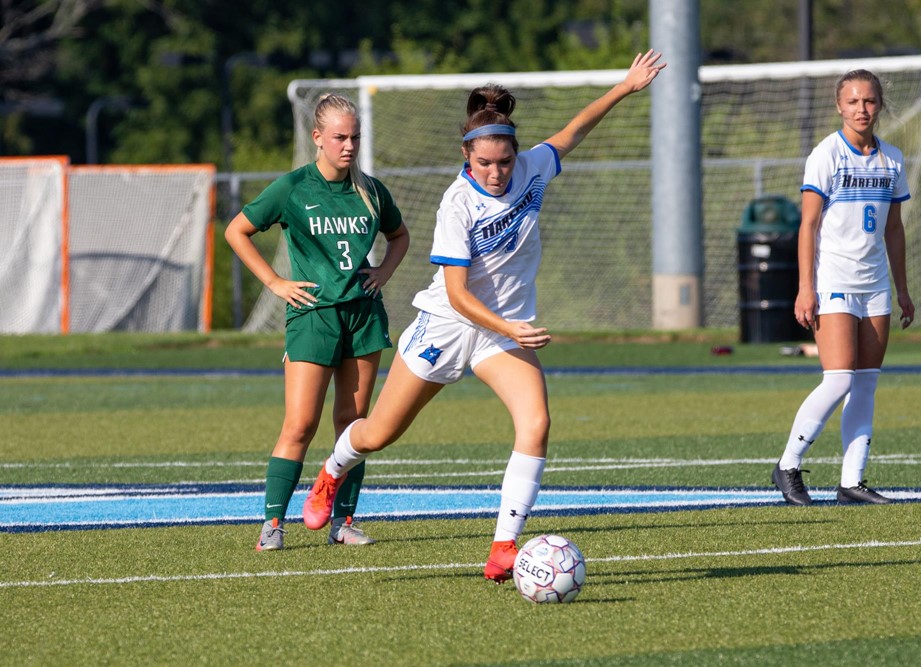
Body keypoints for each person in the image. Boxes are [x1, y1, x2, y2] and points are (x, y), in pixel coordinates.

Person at [300, 50, 665, 581]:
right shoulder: (457, 205)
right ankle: (332, 473)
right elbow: (458, 294)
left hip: (501, 335)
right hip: (449, 325)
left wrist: (626, 87)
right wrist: (510, 326)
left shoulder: (533, 167)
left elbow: (574, 129)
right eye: (484, 164)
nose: (496, 173)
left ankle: (503, 546)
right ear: (467, 158)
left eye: (505, 162)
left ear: (517, 155)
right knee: (377, 432)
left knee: (536, 423)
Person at [225, 93, 410, 550]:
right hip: (312, 318)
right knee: (300, 424)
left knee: (354, 425)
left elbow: (399, 235)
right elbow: (237, 230)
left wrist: (383, 272)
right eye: (340, 137)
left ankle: (342, 522)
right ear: (318, 138)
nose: (349, 146)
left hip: (363, 317)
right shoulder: (293, 188)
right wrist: (274, 282)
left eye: (355, 137)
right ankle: (272, 525)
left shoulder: (370, 190)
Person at [771, 69, 914, 506]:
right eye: (852, 101)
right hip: (833, 281)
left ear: (880, 105)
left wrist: (902, 289)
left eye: (869, 101)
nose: (861, 109)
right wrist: (804, 288)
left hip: (875, 287)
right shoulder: (826, 155)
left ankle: (852, 482)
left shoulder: (892, 159)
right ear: (839, 106)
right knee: (838, 378)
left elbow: (894, 229)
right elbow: (808, 226)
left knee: (866, 383)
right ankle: (788, 466)